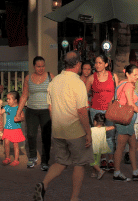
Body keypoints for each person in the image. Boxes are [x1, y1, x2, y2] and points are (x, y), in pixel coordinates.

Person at [33, 52, 91, 201]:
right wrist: (88, 133)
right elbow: (82, 111)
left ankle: (43, 184)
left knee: (61, 162)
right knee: (79, 164)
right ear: (77, 64)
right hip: (76, 131)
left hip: (58, 130)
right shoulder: (78, 83)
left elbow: (51, 108)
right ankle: (74, 197)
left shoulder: (54, 81)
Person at [110, 65, 138, 182]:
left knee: (132, 146)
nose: (137, 77)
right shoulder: (128, 85)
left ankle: (135, 171)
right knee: (122, 147)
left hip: (127, 120)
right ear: (127, 74)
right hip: (125, 120)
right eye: (135, 74)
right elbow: (131, 104)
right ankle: (117, 172)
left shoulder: (122, 83)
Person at [20, 56, 53, 171]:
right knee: (31, 134)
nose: (41, 68)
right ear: (34, 66)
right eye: (38, 66)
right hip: (31, 110)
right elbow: (24, 95)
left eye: (43, 66)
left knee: (46, 136)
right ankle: (33, 157)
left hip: (46, 111)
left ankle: (45, 161)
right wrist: (18, 112)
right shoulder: (28, 78)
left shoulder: (50, 76)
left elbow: (55, 93)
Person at [87, 53, 116, 171]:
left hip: (109, 110)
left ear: (106, 64)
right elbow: (85, 94)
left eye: (100, 63)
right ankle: (103, 159)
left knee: (110, 136)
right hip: (96, 109)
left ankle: (111, 159)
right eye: (96, 63)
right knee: (99, 136)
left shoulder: (113, 76)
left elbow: (117, 94)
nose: (97, 65)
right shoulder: (91, 78)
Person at [1, 91, 25, 166]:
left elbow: (23, 118)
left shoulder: (19, 108)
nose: (7, 100)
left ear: (15, 100)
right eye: (7, 99)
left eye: (9, 99)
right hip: (7, 128)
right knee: (6, 143)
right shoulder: (7, 107)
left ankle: (16, 160)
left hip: (16, 129)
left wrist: (19, 119)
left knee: (15, 145)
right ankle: (7, 158)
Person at [88, 112, 114, 180]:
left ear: (95, 122)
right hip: (100, 149)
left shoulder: (91, 130)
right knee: (96, 161)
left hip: (93, 149)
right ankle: (94, 173)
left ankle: (100, 171)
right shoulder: (104, 129)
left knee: (92, 161)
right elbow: (111, 127)